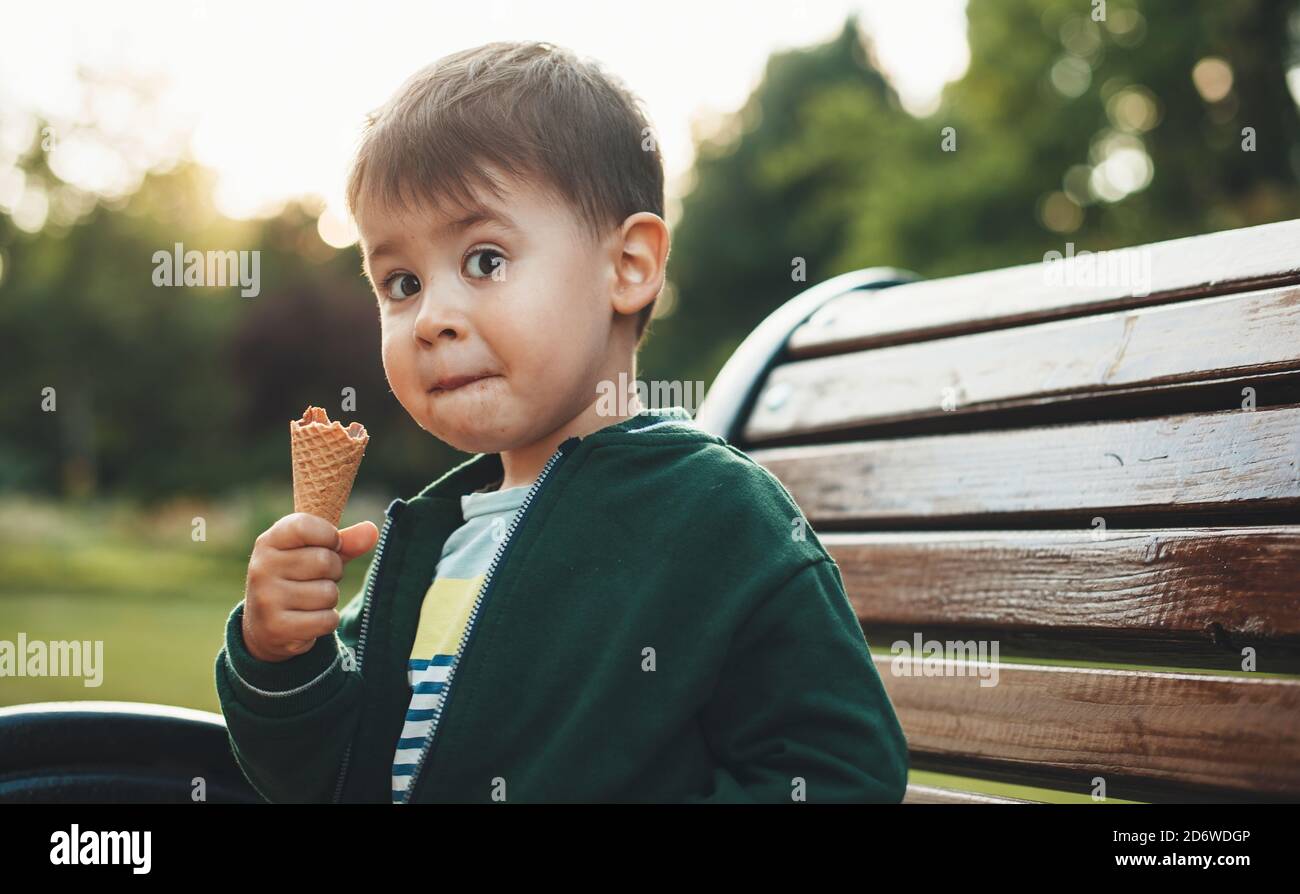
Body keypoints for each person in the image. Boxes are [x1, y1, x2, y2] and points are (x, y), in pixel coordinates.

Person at [214, 40, 908, 803]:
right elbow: (322, 779)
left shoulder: (716, 520)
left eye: (483, 260)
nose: (431, 318)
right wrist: (280, 658)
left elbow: (841, 774)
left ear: (629, 266)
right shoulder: (434, 538)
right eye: (402, 282)